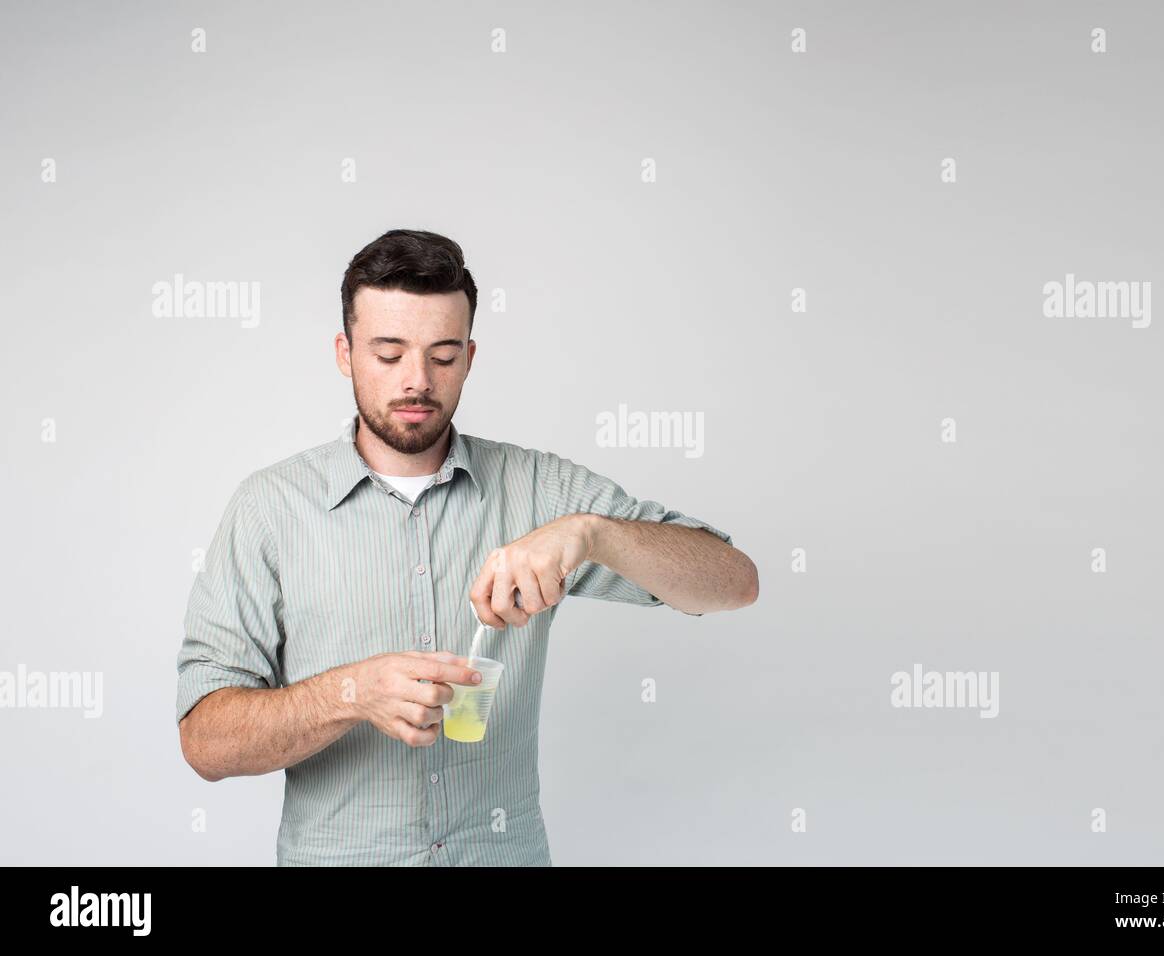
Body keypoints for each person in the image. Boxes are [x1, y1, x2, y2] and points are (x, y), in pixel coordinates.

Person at [174, 228, 759, 865]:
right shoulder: (270, 508)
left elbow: (734, 582)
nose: (417, 382)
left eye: (444, 355)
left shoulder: (539, 488)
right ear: (345, 353)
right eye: (389, 354)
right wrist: (351, 693)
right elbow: (206, 743)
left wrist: (594, 532)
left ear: (471, 355)